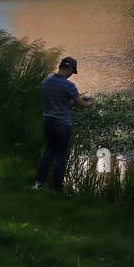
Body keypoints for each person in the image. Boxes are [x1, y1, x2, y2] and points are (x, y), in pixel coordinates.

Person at [34, 57, 91, 192]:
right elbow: (81, 104)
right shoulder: (68, 85)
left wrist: (68, 104)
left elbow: (53, 101)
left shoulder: (46, 81)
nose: (72, 74)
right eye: (72, 71)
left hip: (48, 121)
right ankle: (57, 188)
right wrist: (89, 103)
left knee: (49, 151)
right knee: (61, 156)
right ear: (69, 69)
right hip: (62, 124)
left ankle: (39, 183)